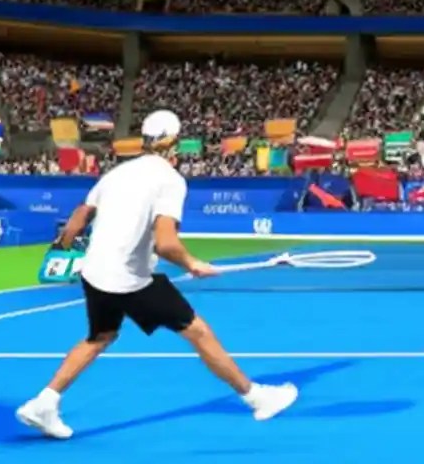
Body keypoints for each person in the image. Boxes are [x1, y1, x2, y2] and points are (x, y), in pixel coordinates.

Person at [16, 110, 298, 439]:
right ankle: (257, 398)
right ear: (174, 145)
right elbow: (165, 244)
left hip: (94, 273)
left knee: (100, 337)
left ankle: (44, 402)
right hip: (129, 280)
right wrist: (192, 263)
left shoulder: (117, 173)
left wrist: (62, 249)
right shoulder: (171, 181)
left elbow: (79, 218)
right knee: (198, 332)